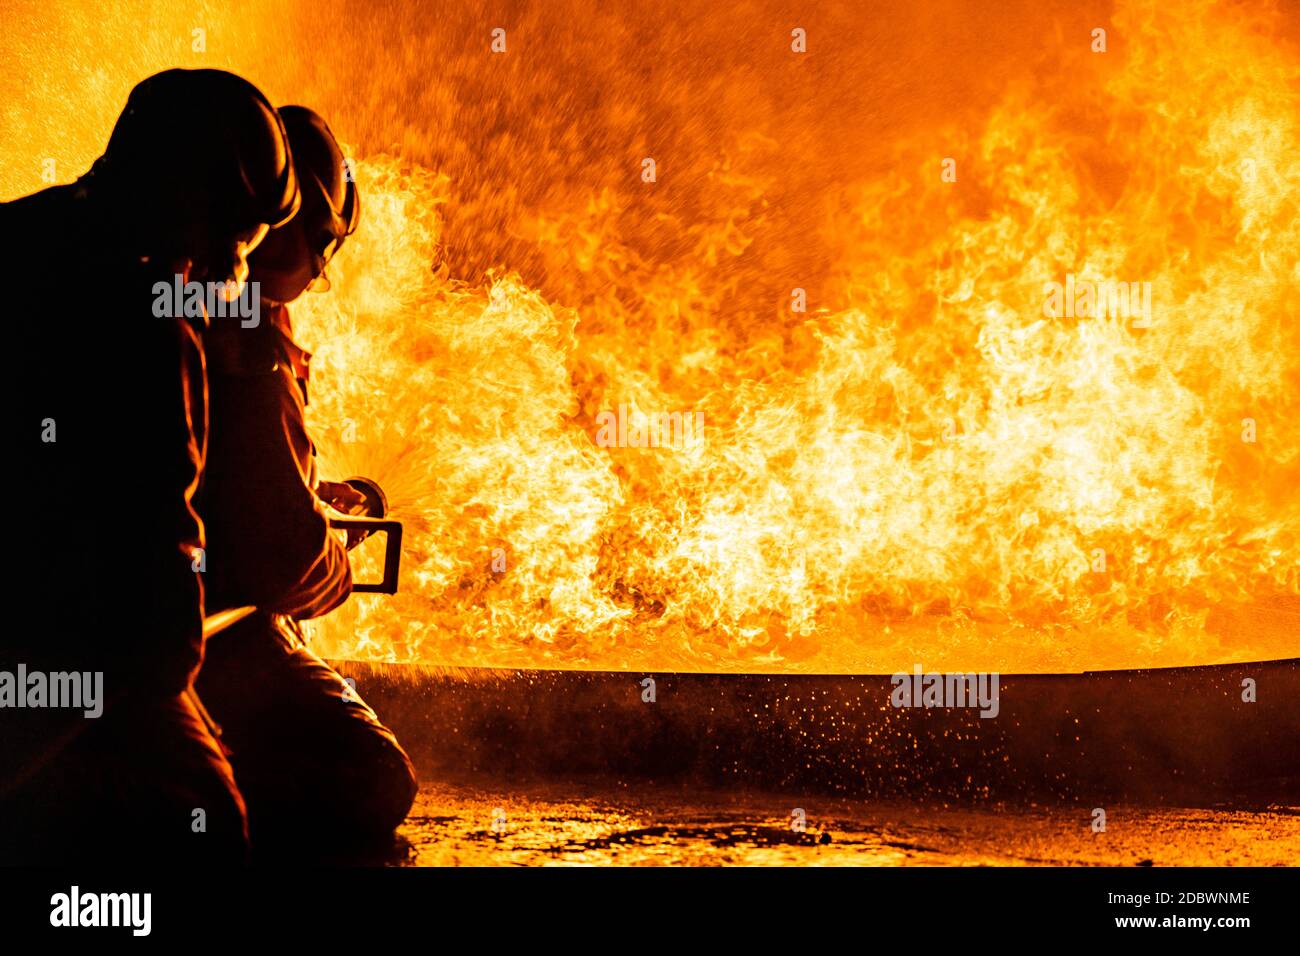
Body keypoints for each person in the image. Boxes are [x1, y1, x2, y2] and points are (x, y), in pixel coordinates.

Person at [0, 68, 300, 864]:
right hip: (55, 670)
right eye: (236, 242)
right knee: (203, 823)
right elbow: (160, 630)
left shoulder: (21, 233)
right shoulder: (146, 317)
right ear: (200, 206)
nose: (230, 272)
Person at [196, 105, 417, 856]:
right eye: (319, 245)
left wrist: (310, 496)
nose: (320, 269)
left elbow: (213, 479)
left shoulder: (169, 298)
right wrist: (333, 553)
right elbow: (284, 558)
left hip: (150, 620)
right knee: (374, 776)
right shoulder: (246, 336)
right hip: (195, 640)